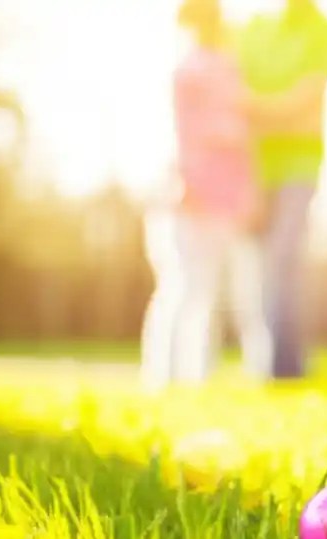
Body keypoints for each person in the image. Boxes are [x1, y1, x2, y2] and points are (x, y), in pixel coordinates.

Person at [141, 0, 270, 388]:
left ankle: (196, 374)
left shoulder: (229, 70)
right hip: (188, 197)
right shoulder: (188, 71)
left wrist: (251, 192)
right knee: (184, 286)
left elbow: (245, 138)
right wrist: (184, 182)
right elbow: (181, 132)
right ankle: (162, 375)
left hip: (224, 200)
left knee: (211, 290)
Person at [236, 0, 327, 380]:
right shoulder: (254, 29)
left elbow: (306, 102)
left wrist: (254, 109)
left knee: (284, 261)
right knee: (253, 266)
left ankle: (285, 368)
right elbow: (240, 96)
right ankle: (261, 362)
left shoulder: (321, 29)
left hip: (300, 164)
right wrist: (277, 114)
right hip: (252, 166)